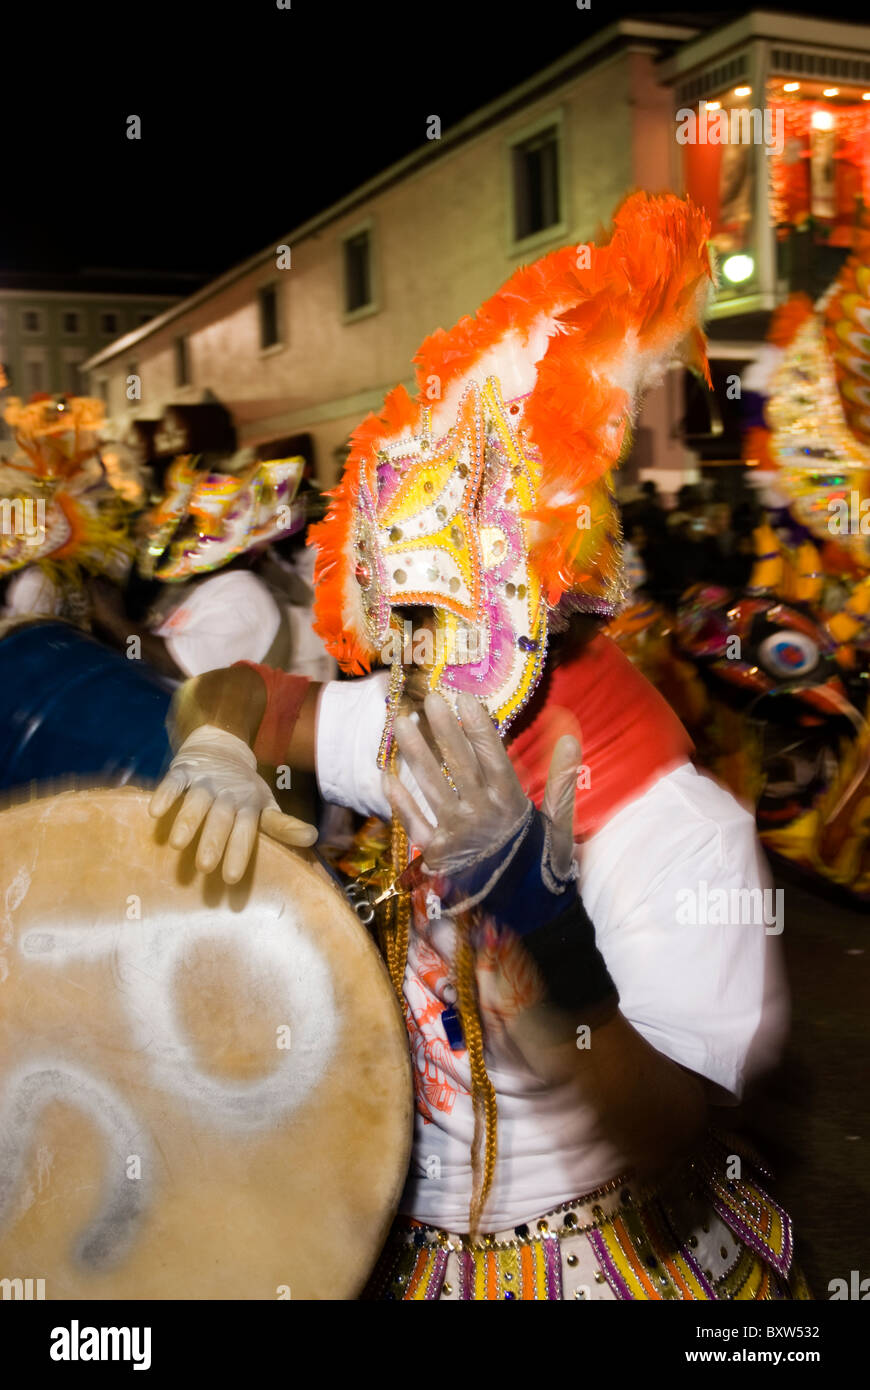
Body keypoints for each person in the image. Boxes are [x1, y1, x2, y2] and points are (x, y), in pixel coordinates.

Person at [149, 191, 807, 1300]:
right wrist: (212, 744)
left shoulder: (668, 824)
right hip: (413, 1246)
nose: (409, 675)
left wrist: (548, 940)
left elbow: (672, 1123)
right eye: (399, 622)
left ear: (542, 597)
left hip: (605, 1257)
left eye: (453, 615)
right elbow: (246, 691)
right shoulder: (422, 719)